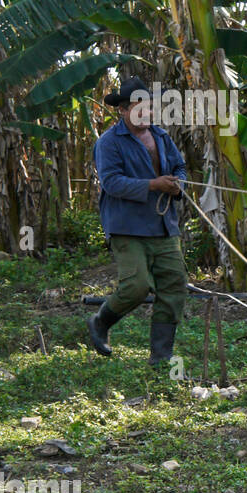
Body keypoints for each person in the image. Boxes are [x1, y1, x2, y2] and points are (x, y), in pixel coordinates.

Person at [86, 76, 189, 366]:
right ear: (122, 110)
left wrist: (178, 182)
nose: (146, 113)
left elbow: (179, 166)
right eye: (138, 107)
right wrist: (154, 185)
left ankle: (160, 357)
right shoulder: (109, 143)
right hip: (127, 227)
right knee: (136, 286)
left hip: (163, 226)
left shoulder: (161, 136)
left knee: (174, 285)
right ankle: (100, 321)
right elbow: (112, 183)